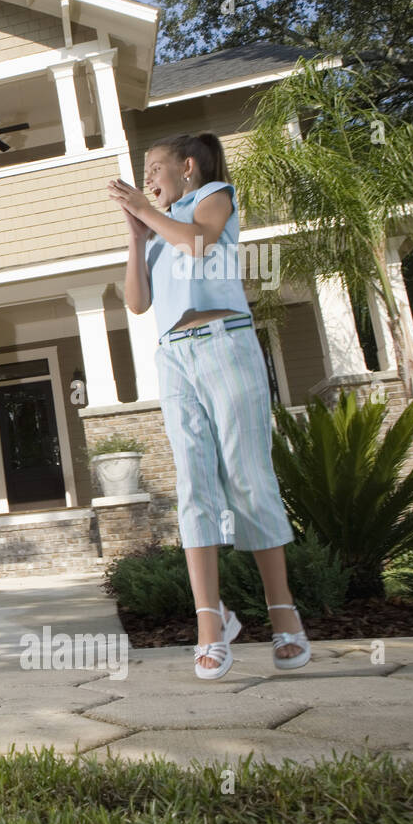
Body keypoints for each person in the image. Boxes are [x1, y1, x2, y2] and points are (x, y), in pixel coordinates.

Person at [109, 131, 310, 680]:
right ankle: (209, 622)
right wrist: (136, 230)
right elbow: (137, 301)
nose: (147, 175)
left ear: (188, 168)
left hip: (226, 344)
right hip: (173, 355)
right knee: (195, 485)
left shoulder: (214, 195)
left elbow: (198, 243)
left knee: (247, 479)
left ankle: (282, 611)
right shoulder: (156, 229)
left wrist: (148, 212)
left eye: (154, 165)